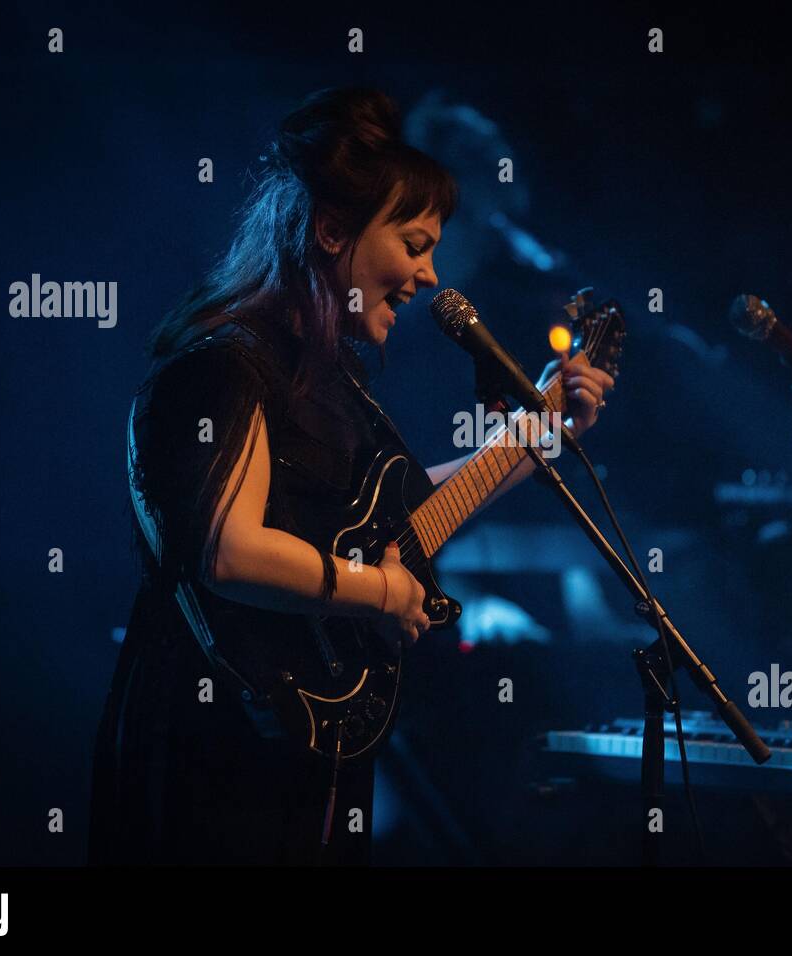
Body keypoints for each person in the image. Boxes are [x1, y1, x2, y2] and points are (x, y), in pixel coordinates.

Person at [87, 87, 614, 866]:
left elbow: (399, 524)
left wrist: (539, 433)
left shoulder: (329, 383)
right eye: (414, 243)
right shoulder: (226, 364)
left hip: (299, 742)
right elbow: (229, 552)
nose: (431, 275)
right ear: (332, 231)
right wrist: (384, 593)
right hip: (218, 748)